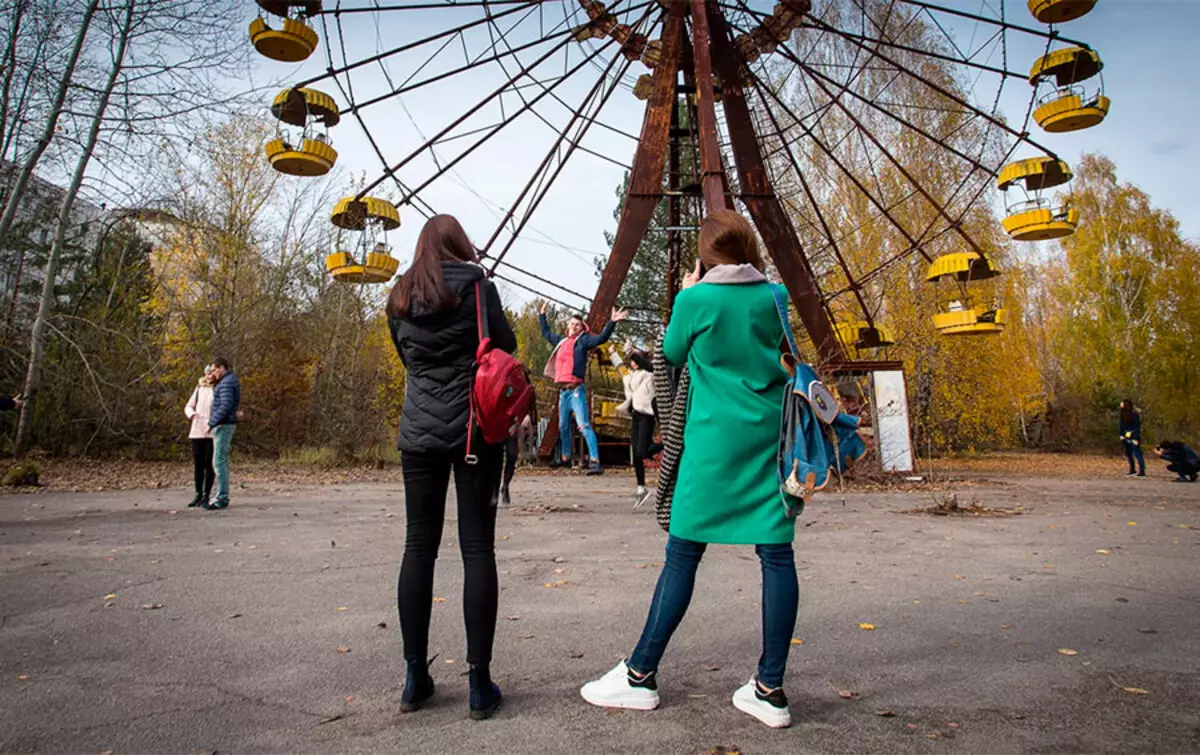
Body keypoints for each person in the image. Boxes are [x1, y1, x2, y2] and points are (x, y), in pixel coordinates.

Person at [580, 209, 801, 729]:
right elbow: (784, 352)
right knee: (776, 556)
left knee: (682, 555)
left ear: (707, 257)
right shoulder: (775, 296)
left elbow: (672, 351)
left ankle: (640, 676)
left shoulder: (695, 298)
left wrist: (689, 289)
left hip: (709, 443)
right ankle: (770, 688)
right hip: (767, 442)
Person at [386, 214, 517, 721]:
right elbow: (506, 345)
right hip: (474, 433)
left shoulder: (398, 296)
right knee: (477, 548)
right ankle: (480, 684)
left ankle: (414, 677)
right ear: (460, 243)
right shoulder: (479, 289)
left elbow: (407, 359)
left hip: (418, 435)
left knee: (418, 547)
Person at [538, 302, 626, 474]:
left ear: (581, 328)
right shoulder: (561, 342)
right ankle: (565, 458)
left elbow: (601, 339)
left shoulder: (583, 341)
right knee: (563, 425)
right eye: (571, 323)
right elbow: (546, 333)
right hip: (563, 392)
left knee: (583, 425)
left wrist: (612, 322)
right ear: (567, 326)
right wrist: (542, 315)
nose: (573, 326)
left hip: (576, 390)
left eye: (577, 324)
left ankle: (594, 460)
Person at [616, 350, 661, 508]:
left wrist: (631, 352)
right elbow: (621, 370)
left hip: (646, 415)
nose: (633, 362)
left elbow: (645, 365)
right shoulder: (632, 375)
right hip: (635, 415)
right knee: (636, 454)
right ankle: (641, 489)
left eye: (635, 359)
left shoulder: (651, 372)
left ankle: (666, 444)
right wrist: (613, 353)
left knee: (643, 451)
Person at [206, 357, 241, 509]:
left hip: (224, 425)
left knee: (218, 462)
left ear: (221, 368)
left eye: (214, 370)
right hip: (225, 423)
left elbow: (226, 405)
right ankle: (222, 495)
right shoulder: (226, 381)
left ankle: (222, 497)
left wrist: (212, 422)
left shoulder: (226, 382)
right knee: (221, 461)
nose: (213, 373)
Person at [184, 366, 217, 508]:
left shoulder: (217, 389)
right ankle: (197, 493)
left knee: (209, 464)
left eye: (211, 373)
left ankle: (206, 494)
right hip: (197, 430)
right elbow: (188, 406)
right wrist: (192, 414)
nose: (209, 376)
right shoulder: (199, 388)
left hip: (211, 430)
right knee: (198, 464)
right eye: (207, 373)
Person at [1118, 399, 1145, 478]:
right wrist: (1121, 434)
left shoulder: (1134, 414)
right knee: (1128, 454)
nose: (1120, 404)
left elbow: (1136, 427)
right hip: (1126, 436)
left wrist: (1135, 438)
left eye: (1122, 402)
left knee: (1137, 453)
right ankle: (1132, 469)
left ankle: (1142, 471)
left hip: (1133, 436)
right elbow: (1121, 425)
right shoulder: (1123, 414)